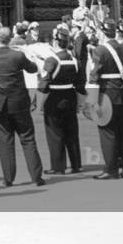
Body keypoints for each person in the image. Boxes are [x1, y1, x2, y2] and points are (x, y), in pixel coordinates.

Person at [0, 26, 44, 187]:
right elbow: (33, 69)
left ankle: (8, 178)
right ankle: (36, 176)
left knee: (4, 140)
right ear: (9, 40)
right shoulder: (17, 55)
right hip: (18, 102)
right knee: (28, 139)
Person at [89, 20, 123, 179]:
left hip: (108, 96)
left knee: (108, 133)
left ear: (103, 32)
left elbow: (94, 77)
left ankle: (111, 170)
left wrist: (93, 101)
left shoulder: (100, 50)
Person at [38, 28, 84, 175]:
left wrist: (40, 102)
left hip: (54, 97)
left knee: (55, 134)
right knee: (72, 132)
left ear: (55, 42)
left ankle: (58, 166)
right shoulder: (75, 60)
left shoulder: (52, 60)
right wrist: (79, 102)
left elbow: (44, 84)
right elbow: (81, 84)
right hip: (70, 96)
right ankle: (76, 164)